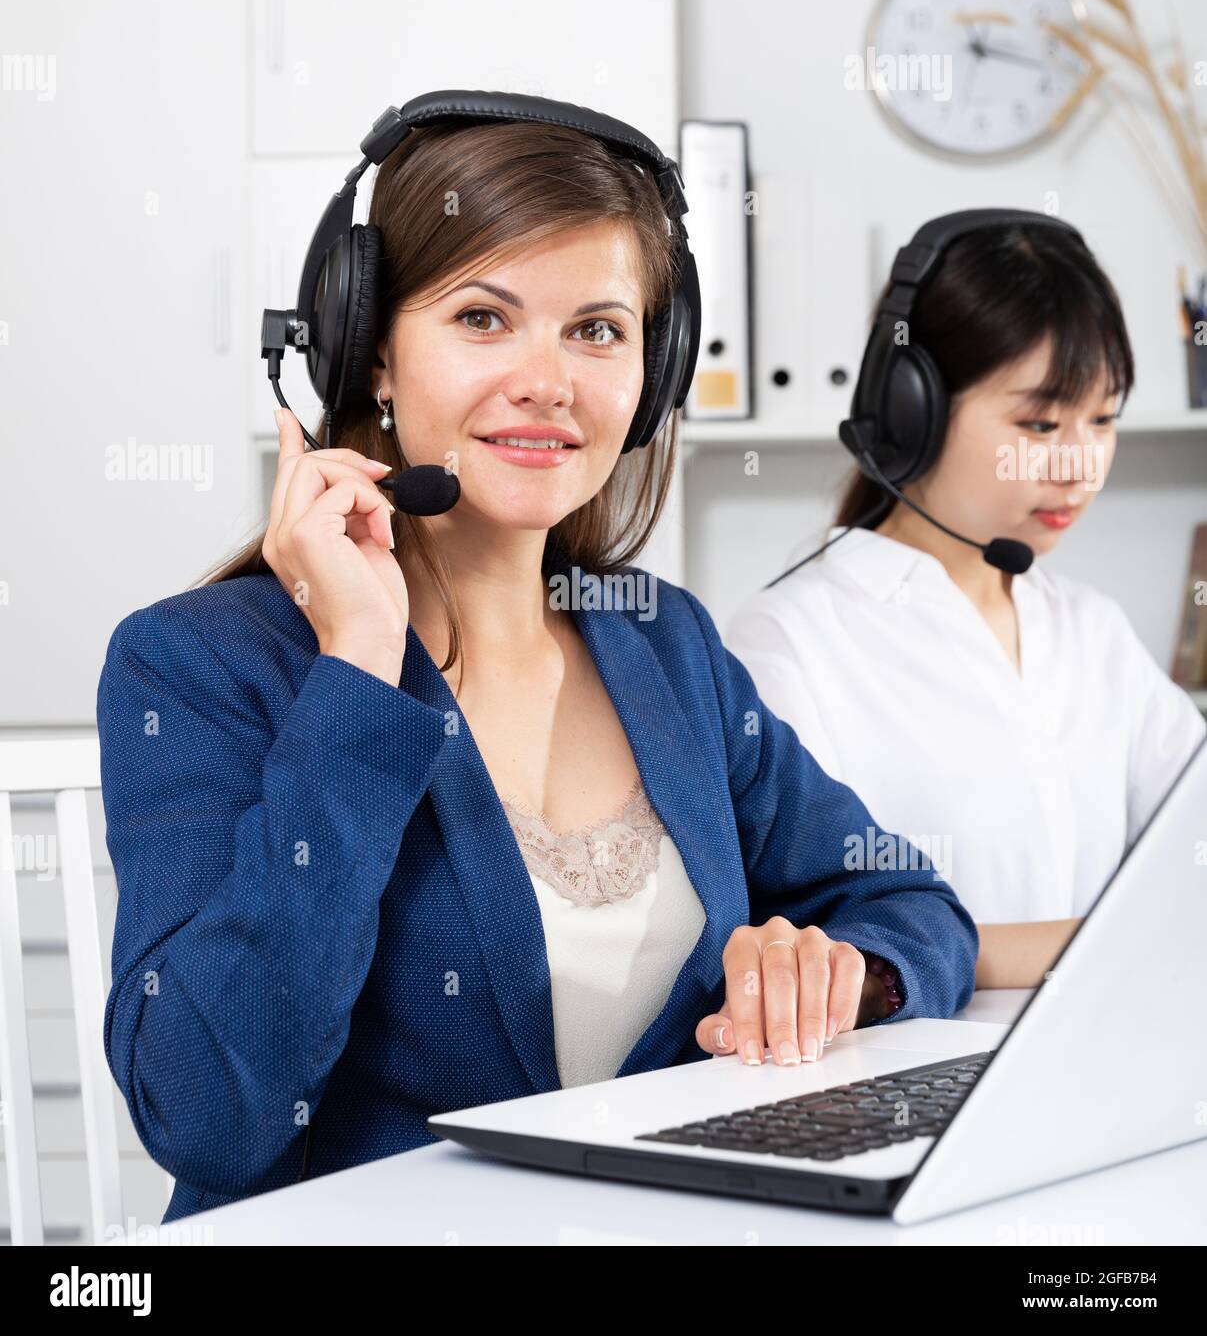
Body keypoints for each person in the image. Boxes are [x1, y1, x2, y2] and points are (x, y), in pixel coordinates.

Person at [96, 97, 977, 1225]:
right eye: (481, 317)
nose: (548, 380)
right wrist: (360, 671)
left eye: (598, 330)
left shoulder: (665, 644)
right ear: (368, 352)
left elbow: (906, 897)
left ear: (650, 378)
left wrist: (843, 971)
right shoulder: (198, 664)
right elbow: (209, 1110)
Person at [726, 215, 1206, 994]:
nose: (1080, 465)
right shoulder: (792, 640)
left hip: (1105, 1062)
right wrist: (1112, 941)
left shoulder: (1087, 629)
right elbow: (819, 952)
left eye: (1103, 419)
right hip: (899, 1086)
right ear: (913, 407)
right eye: (1040, 423)